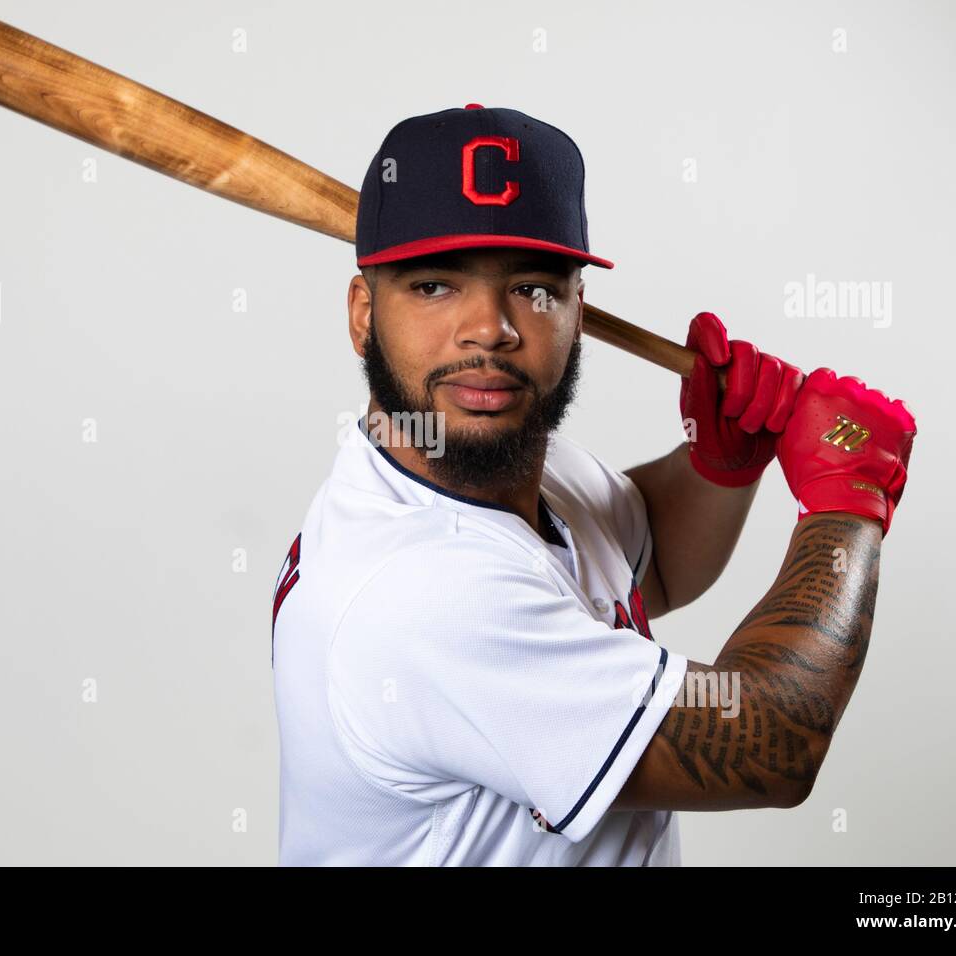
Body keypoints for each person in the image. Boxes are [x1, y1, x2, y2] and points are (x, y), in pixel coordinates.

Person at [271, 105, 917, 865]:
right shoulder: (424, 594)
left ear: (580, 311)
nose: (489, 329)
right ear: (361, 314)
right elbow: (771, 744)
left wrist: (722, 460)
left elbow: (656, 565)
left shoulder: (508, 467)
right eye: (435, 285)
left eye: (534, 289)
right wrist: (848, 499)